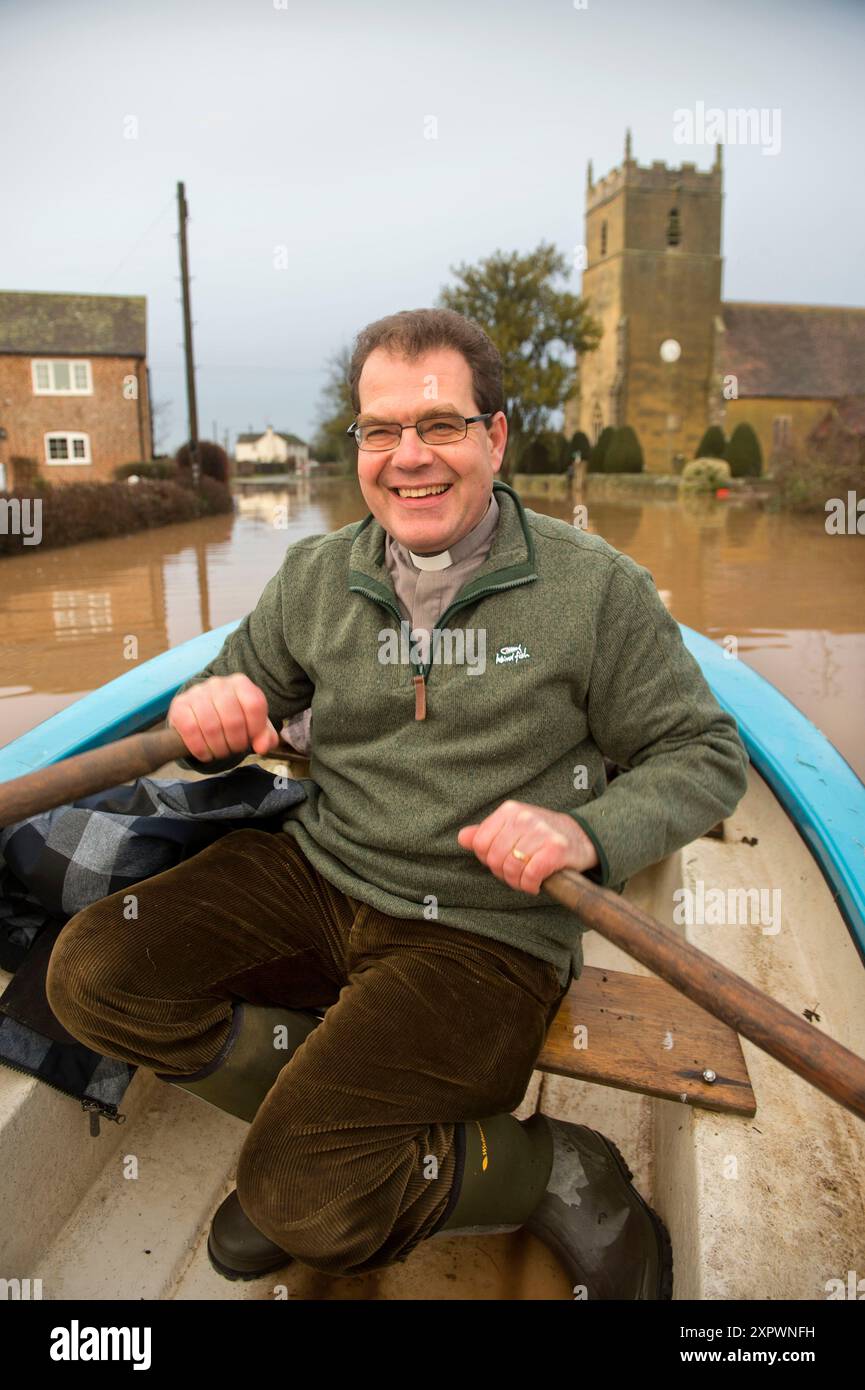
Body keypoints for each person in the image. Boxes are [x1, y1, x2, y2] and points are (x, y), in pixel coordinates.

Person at [46, 308, 749, 1299]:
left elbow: (705, 754)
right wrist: (212, 698)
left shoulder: (596, 590)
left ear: (495, 437)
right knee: (92, 971)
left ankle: (553, 1167)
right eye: (379, 430)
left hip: (483, 931)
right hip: (321, 869)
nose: (406, 458)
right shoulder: (316, 574)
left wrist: (583, 829)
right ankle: (312, 1133)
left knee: (301, 1199)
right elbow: (242, 685)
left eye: (440, 425)